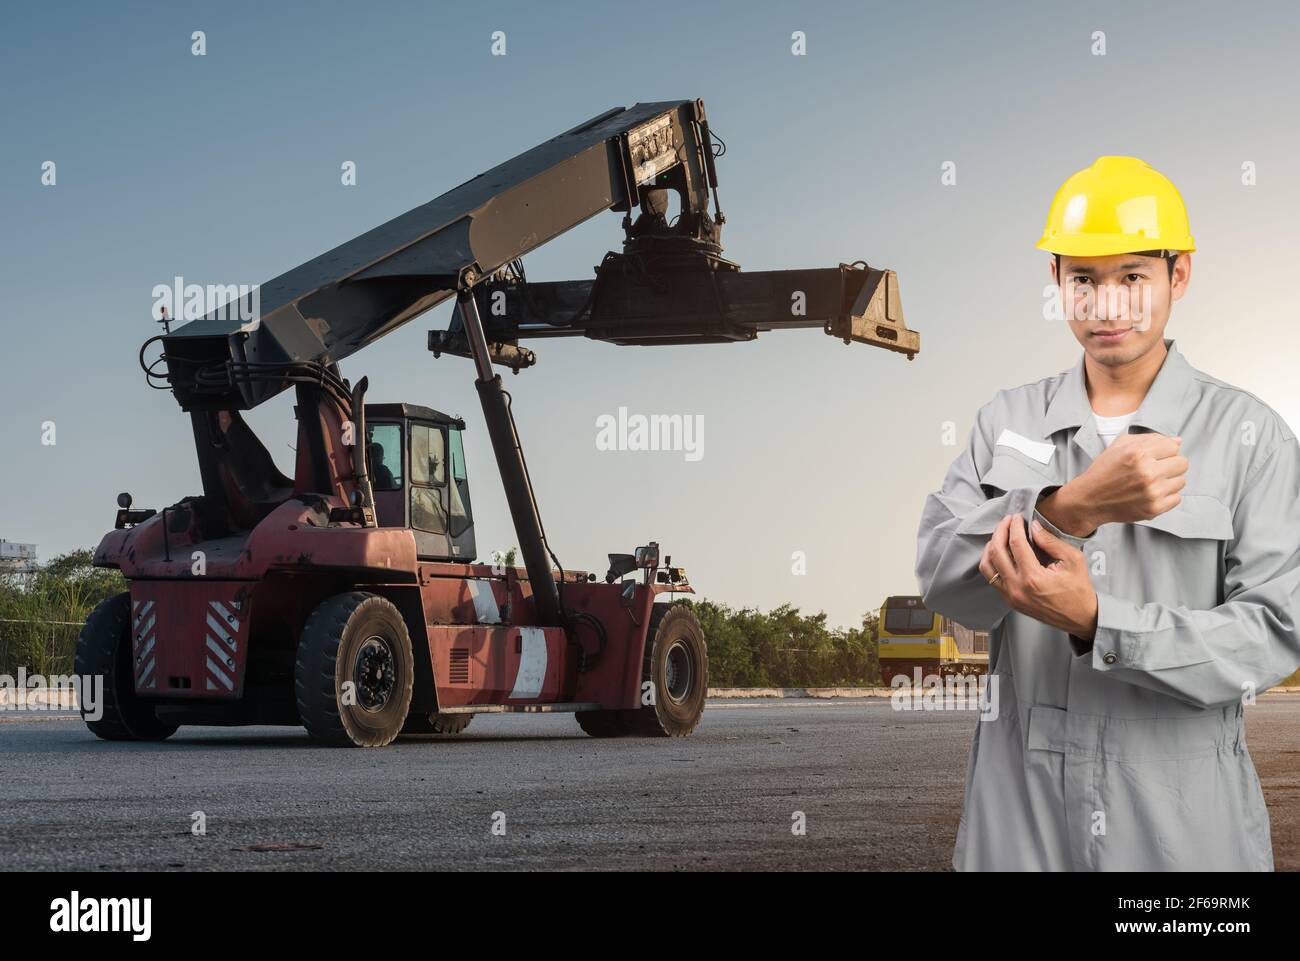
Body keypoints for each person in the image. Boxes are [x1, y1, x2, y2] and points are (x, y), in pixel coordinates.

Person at [915, 156, 1300, 870]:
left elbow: (1274, 633)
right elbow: (941, 575)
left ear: (1178, 276)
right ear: (1055, 279)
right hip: (1020, 829)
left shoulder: (1251, 437)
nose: (1107, 305)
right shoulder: (1008, 419)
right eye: (1084, 279)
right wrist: (1068, 506)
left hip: (1181, 837)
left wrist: (1103, 623)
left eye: (1132, 277)